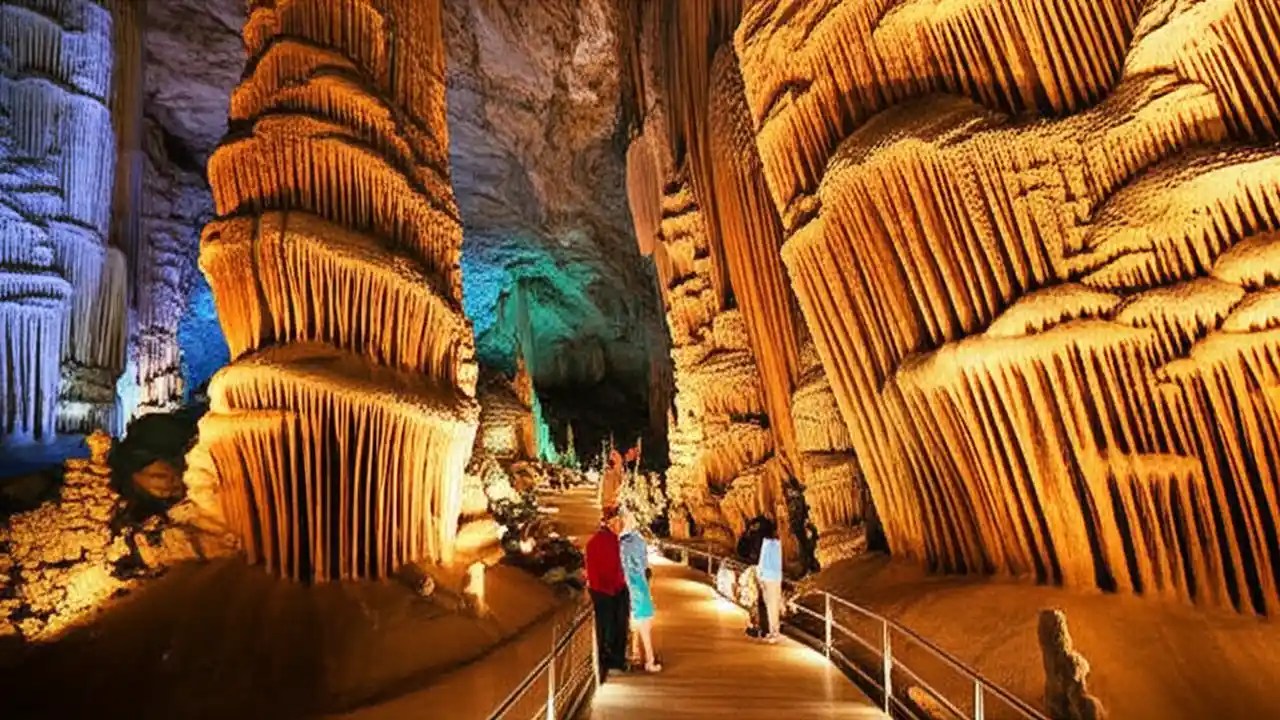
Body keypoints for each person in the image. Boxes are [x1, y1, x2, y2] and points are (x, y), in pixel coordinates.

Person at [585, 506, 630, 680]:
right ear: (611, 523)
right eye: (619, 521)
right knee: (615, 626)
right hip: (610, 591)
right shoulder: (609, 542)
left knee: (606, 627)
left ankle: (606, 658)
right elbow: (616, 568)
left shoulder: (596, 542)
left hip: (603, 591)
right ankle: (614, 658)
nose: (621, 525)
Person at [619, 509, 662, 672]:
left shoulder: (620, 543)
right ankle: (648, 660)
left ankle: (634, 653)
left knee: (632, 622)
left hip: (626, 587)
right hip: (637, 585)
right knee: (644, 622)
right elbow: (643, 565)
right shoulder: (635, 541)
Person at [757, 520, 783, 643]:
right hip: (773, 577)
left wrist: (759, 575)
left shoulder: (768, 544)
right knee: (772, 606)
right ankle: (773, 631)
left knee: (771, 606)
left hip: (769, 577)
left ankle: (775, 632)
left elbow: (762, 561)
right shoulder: (776, 545)